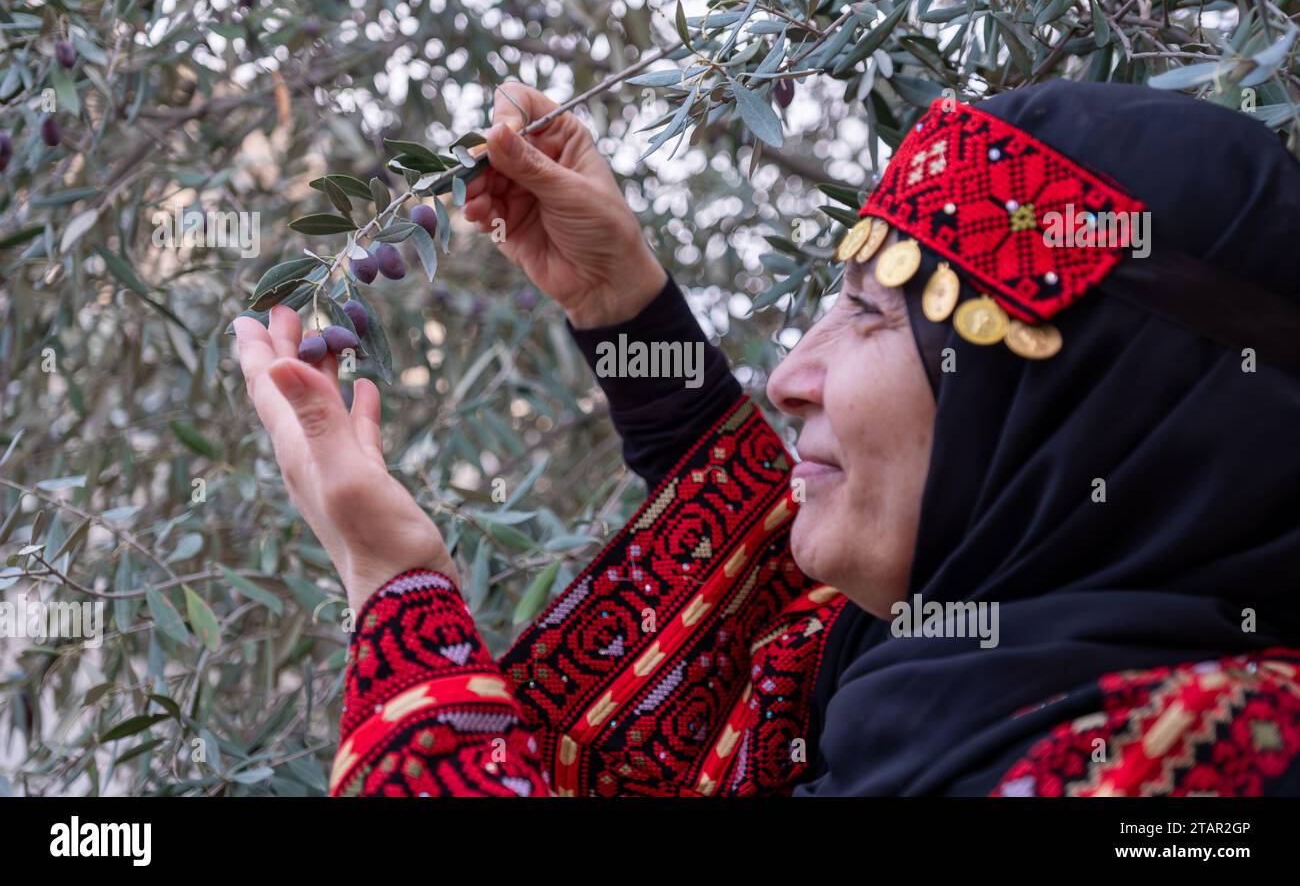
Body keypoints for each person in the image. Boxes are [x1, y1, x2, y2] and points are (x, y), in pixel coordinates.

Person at [233, 79, 1300, 797]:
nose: (789, 377)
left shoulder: (1183, 768)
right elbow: (771, 586)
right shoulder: (935, 657)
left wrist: (396, 589)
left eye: (876, 312)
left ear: (1083, 408)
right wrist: (625, 311)